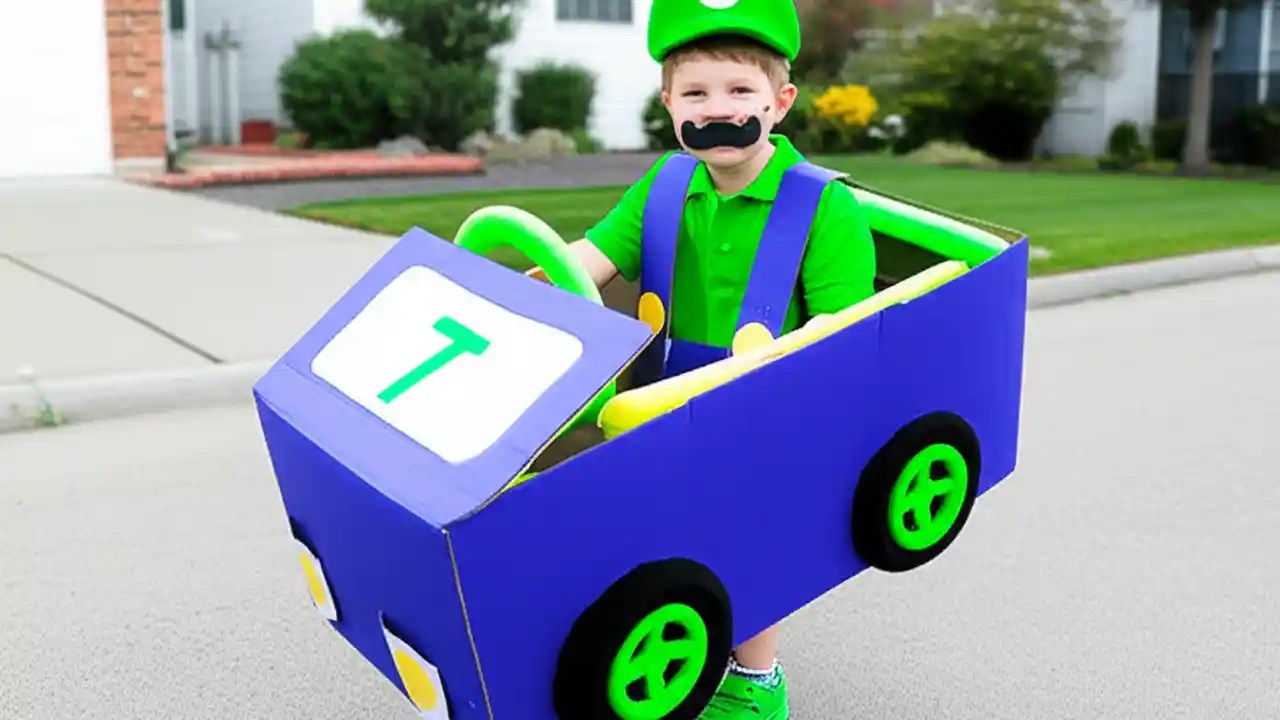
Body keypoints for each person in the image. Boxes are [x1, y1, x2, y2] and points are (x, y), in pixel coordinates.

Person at [528, 1, 877, 717]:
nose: (717, 110)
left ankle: (756, 680)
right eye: (696, 94)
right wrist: (535, 280)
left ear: (779, 103)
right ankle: (675, 642)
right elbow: (589, 261)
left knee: (744, 539)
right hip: (658, 399)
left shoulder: (825, 207)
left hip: (766, 409)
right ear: (668, 103)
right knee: (644, 529)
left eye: (739, 92)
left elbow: (843, 327)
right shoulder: (661, 187)